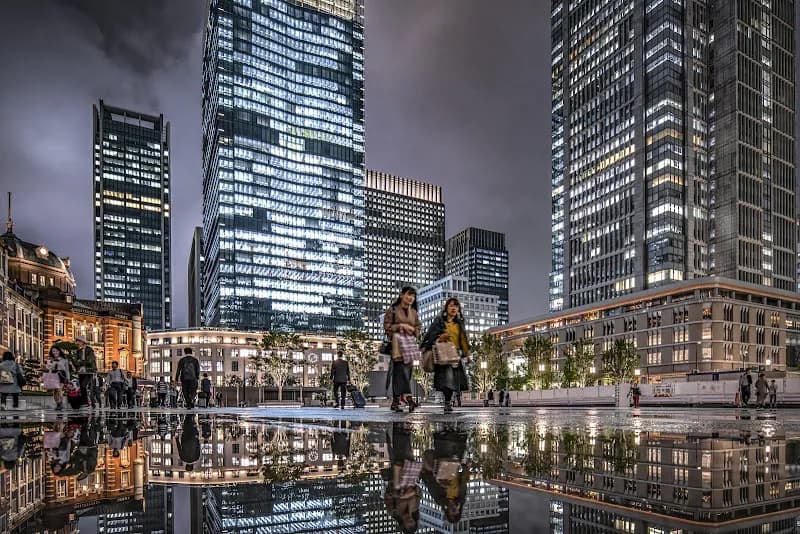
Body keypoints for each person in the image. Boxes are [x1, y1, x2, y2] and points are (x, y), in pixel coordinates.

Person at [421, 298, 471, 414]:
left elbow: (463, 338)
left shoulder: (459, 323)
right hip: (442, 353)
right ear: (446, 308)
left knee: (454, 381)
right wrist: (439, 338)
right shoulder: (439, 321)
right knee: (447, 380)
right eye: (451, 306)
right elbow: (430, 334)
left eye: (456, 306)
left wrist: (467, 354)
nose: (454, 308)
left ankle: (448, 401)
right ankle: (447, 402)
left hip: (455, 355)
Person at [421, 424, 470, 527]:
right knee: (459, 439)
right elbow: (464, 481)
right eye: (456, 512)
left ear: (447, 511)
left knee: (445, 440)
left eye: (451, 512)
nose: (454, 510)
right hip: (455, 463)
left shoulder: (439, 498)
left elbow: (429, 481)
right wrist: (466, 468)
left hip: (442, 464)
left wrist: (440, 481)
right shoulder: (461, 497)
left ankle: (443, 429)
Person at [384, 287, 421, 413]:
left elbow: (418, 328)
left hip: (410, 346)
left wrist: (413, 330)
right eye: (408, 295)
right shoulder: (393, 310)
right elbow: (387, 327)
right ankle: (409, 399)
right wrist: (400, 326)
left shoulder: (414, 312)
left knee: (404, 374)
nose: (411, 298)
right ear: (401, 295)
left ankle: (395, 401)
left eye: (413, 296)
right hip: (397, 346)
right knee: (401, 373)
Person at [383, 422, 421, 533]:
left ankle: (398, 428)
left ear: (403, 524)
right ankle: (405, 429)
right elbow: (419, 492)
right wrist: (411, 492)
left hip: (396, 476)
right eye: (412, 522)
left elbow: (387, 496)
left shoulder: (394, 511)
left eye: (408, 524)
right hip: (409, 476)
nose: (410, 521)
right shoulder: (415, 508)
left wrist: (396, 494)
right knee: (408, 452)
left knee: (398, 454)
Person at [73, 336, 97, 408]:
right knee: (82, 387)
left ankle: (88, 402)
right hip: (81, 371)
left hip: (89, 371)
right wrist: (77, 362)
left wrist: (80, 362)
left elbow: (90, 360)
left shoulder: (89, 350)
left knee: (84, 386)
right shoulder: (78, 351)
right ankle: (86, 402)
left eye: (78, 341)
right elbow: (76, 362)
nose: (77, 343)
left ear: (82, 342)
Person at [45, 345, 70, 410]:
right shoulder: (50, 359)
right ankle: (57, 403)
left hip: (61, 374)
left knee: (59, 389)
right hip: (53, 374)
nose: (55, 352)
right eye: (53, 351)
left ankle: (61, 403)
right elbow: (48, 368)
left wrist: (68, 378)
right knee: (55, 390)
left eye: (56, 351)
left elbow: (67, 369)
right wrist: (50, 364)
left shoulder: (64, 359)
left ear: (59, 351)